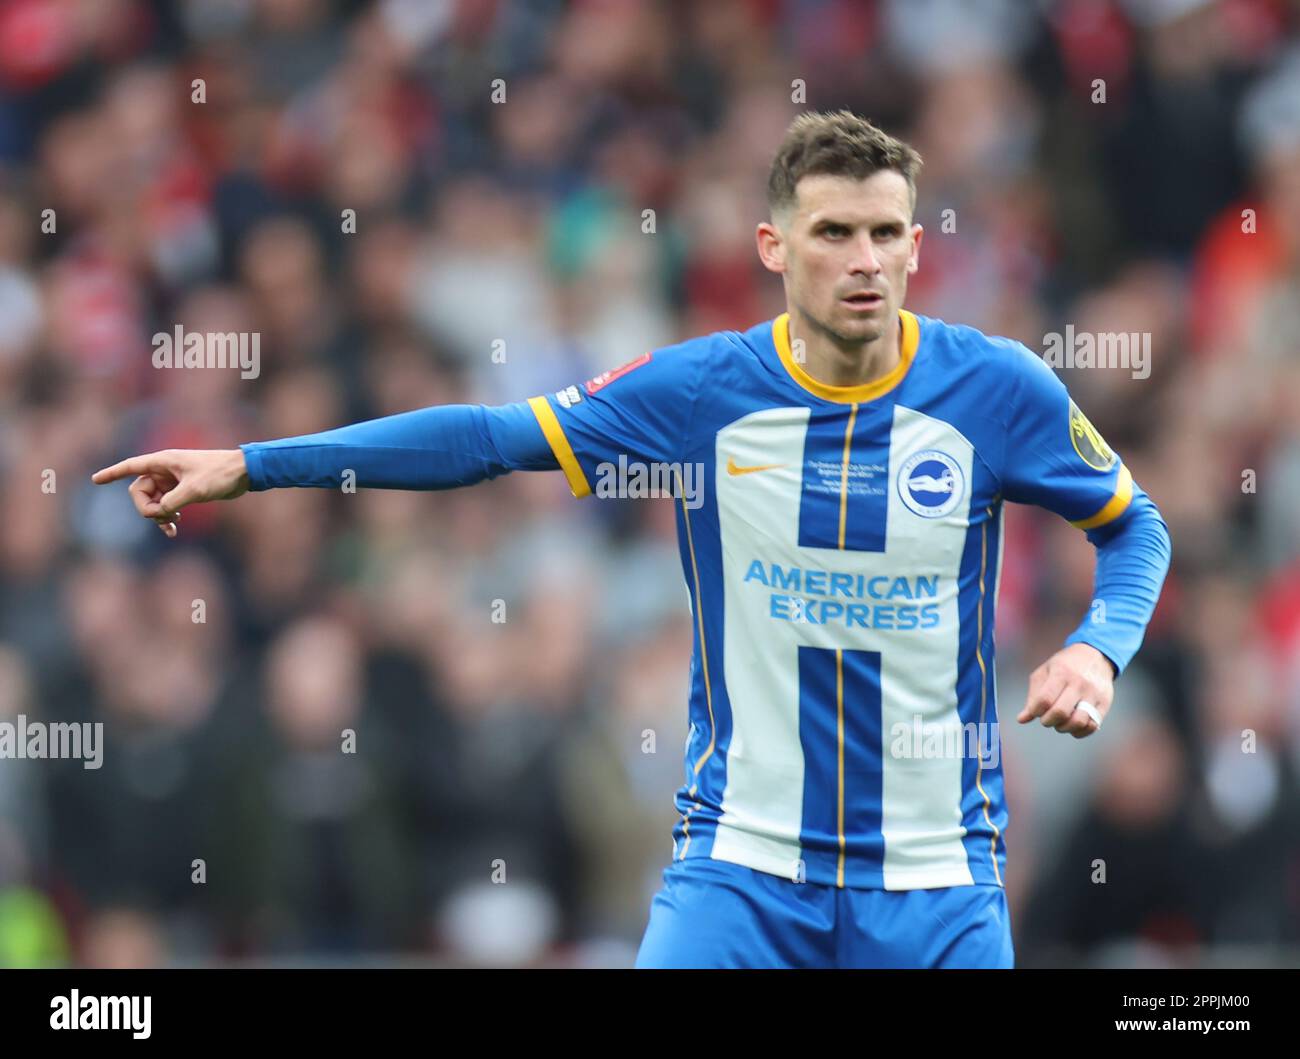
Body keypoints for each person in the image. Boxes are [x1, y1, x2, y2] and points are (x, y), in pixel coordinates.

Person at [92, 110, 1172, 968]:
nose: (863, 260)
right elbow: (486, 439)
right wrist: (252, 463)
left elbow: (1134, 530)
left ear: (914, 248)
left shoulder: (994, 391)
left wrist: (1096, 645)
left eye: (886, 233)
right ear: (772, 246)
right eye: (833, 232)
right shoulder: (704, 390)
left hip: (937, 877)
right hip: (741, 870)